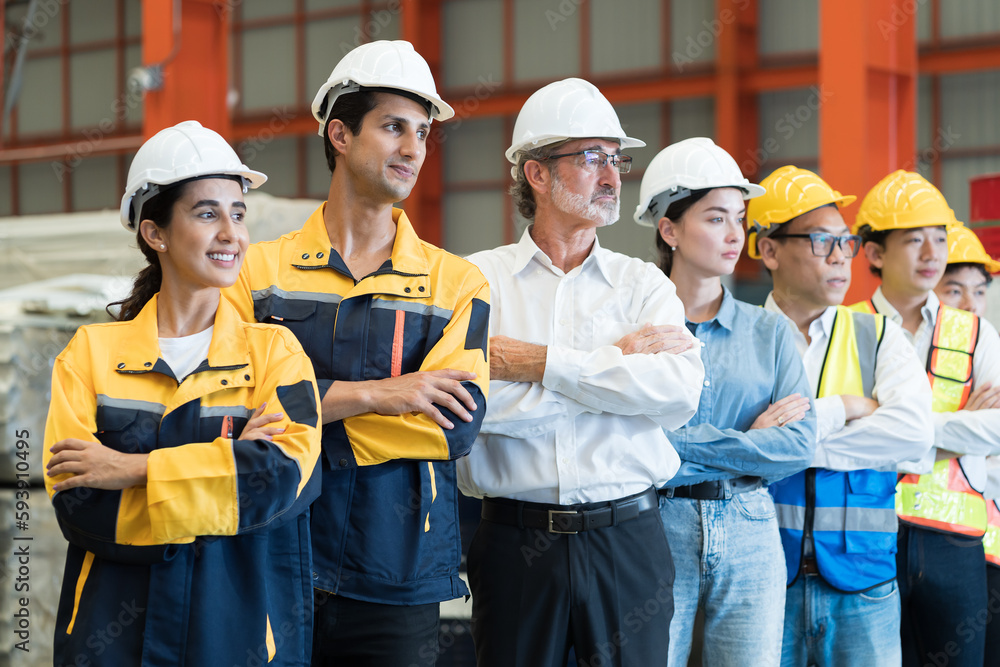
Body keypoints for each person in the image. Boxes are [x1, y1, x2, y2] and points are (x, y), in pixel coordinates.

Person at [223, 40, 490, 667]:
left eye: (422, 132)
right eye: (393, 126)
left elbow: (455, 425)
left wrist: (300, 422)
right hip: (267, 552)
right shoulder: (255, 274)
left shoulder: (456, 283)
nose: (413, 149)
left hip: (397, 569)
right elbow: (225, 405)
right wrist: (381, 395)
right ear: (339, 134)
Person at [42, 120, 322, 666]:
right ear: (156, 233)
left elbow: (283, 480)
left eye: (238, 214)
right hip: (111, 642)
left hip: (236, 639)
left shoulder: (275, 353)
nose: (232, 234)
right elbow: (81, 503)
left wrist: (133, 470)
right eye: (207, 213)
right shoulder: (90, 355)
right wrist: (229, 468)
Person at [457, 77, 706, 667]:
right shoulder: (475, 281)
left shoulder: (644, 284)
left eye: (616, 159)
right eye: (592, 157)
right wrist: (612, 374)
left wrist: (537, 364)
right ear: (536, 174)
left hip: (628, 541)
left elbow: (677, 396)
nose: (613, 175)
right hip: (514, 544)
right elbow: (469, 408)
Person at [633, 137, 816, 666]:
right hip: (654, 522)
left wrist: (675, 449)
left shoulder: (770, 334)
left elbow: (798, 446)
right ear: (669, 229)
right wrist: (752, 440)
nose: (736, 234)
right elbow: (625, 443)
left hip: (751, 525)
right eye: (716, 218)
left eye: (740, 217)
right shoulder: (634, 333)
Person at [746, 165, 933, 667]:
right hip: (761, 579)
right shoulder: (739, 339)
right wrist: (848, 411)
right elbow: (724, 450)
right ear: (768, 250)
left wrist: (794, 441)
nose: (839, 257)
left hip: (864, 582)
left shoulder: (877, 336)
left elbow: (914, 435)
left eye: (845, 243)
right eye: (820, 241)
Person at [851, 171, 1000, 666]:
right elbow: (838, 433)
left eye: (939, 237)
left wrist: (894, 425)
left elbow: (997, 429)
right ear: (874, 253)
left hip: (956, 542)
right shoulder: (847, 328)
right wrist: (958, 429)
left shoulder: (976, 331)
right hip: (867, 532)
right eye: (914, 240)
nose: (933, 252)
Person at [932, 224, 1000, 666]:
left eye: (979, 290)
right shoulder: (891, 346)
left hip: (985, 543)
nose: (971, 304)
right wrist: (963, 426)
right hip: (915, 540)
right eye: (954, 290)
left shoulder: (985, 346)